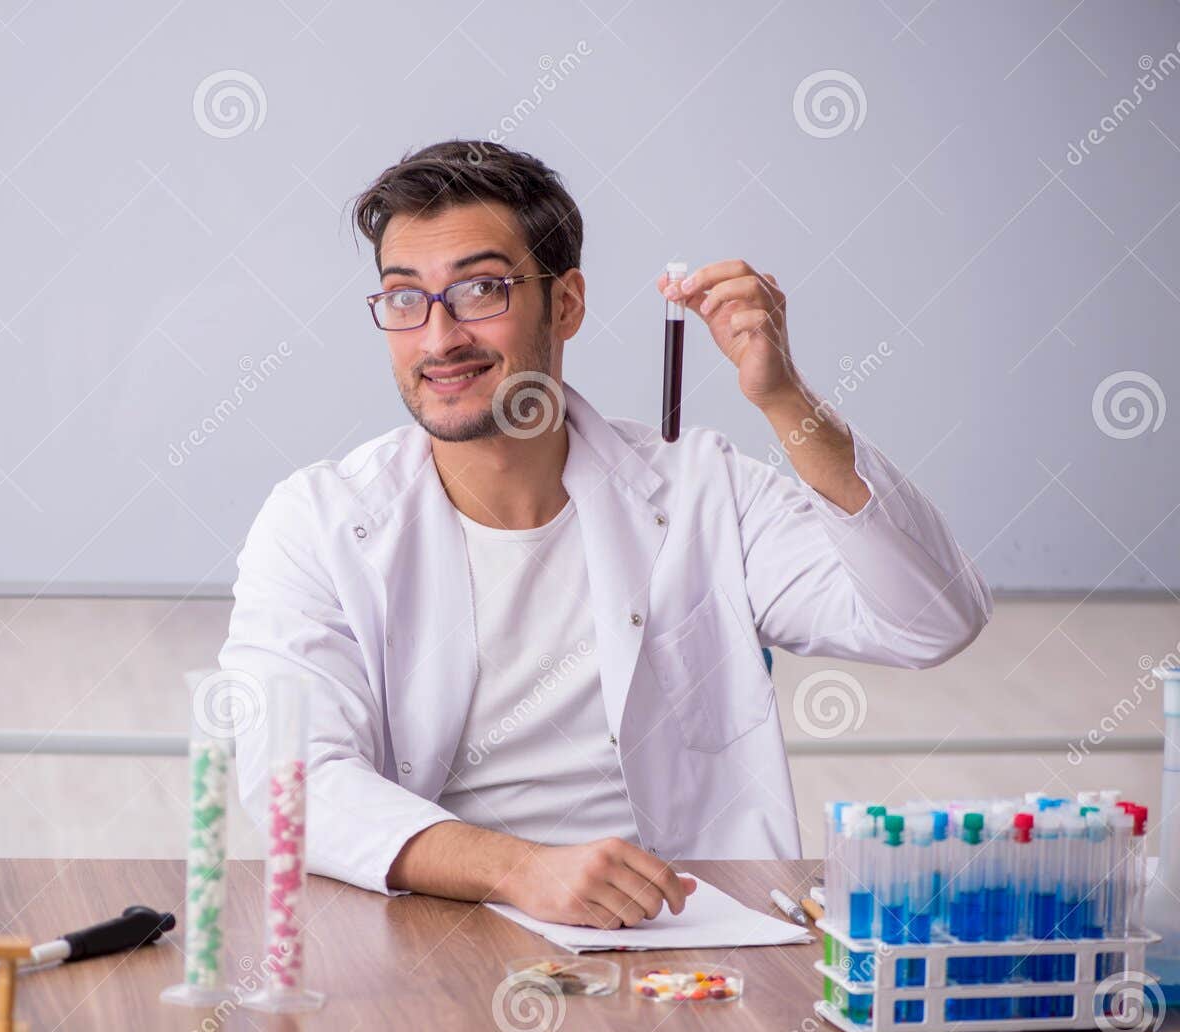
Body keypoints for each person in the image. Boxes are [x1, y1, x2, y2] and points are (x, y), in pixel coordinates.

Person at [217, 140, 991, 930]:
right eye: (404, 298)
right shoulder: (316, 519)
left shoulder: (699, 490)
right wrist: (520, 870)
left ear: (566, 305)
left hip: (690, 937)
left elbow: (929, 621)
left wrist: (786, 399)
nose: (439, 337)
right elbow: (296, 780)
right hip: (438, 935)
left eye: (482, 289)